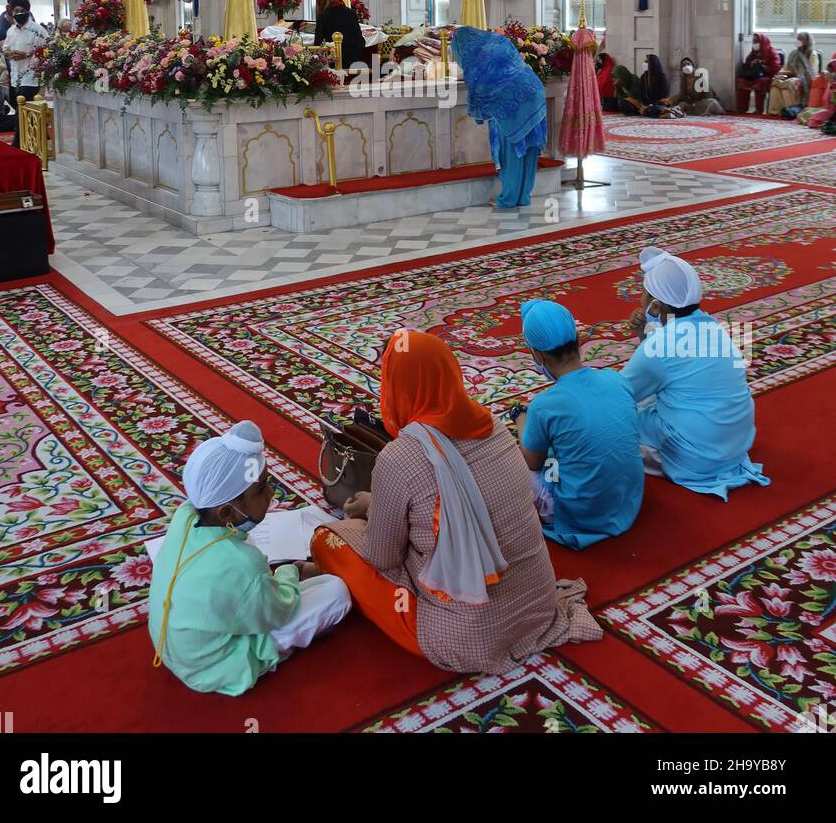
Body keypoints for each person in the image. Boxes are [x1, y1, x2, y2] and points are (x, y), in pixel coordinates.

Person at [311, 330, 600, 672]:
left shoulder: (399, 457)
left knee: (329, 539)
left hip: (465, 635)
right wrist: (380, 504)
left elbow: (382, 556)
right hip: (537, 605)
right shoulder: (491, 424)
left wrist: (367, 518)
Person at [147, 420, 351, 696]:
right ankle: (262, 655)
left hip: (178, 651)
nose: (271, 493)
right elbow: (279, 613)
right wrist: (290, 571)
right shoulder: (242, 565)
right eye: (261, 488)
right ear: (227, 513)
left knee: (263, 576)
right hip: (215, 666)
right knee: (336, 592)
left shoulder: (186, 515)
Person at [620, 247, 769, 500]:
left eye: (644, 295)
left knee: (613, 425)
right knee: (661, 390)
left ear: (655, 305)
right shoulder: (716, 327)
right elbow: (673, 363)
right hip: (737, 445)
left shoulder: (661, 344)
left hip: (698, 458)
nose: (640, 301)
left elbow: (620, 394)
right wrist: (645, 333)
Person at [515, 300, 644, 549]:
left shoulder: (544, 404)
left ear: (537, 354)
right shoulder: (615, 379)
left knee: (512, 464)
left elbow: (531, 463)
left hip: (581, 513)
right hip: (627, 500)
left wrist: (522, 417)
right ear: (578, 338)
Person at [451, 26, 547, 209]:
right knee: (528, 149)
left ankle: (508, 198)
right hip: (534, 89)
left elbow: (477, 88)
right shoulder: (497, 40)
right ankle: (523, 196)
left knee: (511, 150)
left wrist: (479, 113)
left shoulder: (474, 58)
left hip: (511, 100)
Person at [3, 0, 48, 146]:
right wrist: (10, 53)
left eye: (22, 10)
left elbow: (46, 51)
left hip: (31, 77)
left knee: (26, 110)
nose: (19, 13)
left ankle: (20, 142)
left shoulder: (37, 30)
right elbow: (5, 48)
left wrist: (27, 54)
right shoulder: (11, 30)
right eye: (16, 11)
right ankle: (26, 141)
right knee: (18, 109)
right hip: (15, 77)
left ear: (28, 11)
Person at [313, 0, 367, 69]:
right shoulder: (351, 13)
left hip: (334, 61)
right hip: (355, 59)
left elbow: (318, 43)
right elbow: (360, 40)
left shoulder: (323, 15)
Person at [768, 33, 820, 117]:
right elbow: (786, 67)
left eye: (800, 39)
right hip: (790, 75)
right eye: (797, 39)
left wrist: (793, 73)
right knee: (776, 81)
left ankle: (791, 111)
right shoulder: (793, 53)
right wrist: (781, 73)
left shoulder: (811, 53)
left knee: (790, 83)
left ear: (807, 41)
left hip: (804, 79)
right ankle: (775, 111)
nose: (797, 41)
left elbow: (811, 72)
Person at [736, 33, 780, 114]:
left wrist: (762, 66)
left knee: (760, 82)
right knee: (741, 80)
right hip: (753, 75)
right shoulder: (753, 53)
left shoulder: (772, 53)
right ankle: (742, 109)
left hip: (767, 77)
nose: (754, 43)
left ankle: (759, 110)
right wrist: (751, 63)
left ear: (763, 42)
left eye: (757, 41)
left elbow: (775, 69)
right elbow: (747, 65)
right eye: (753, 41)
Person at [803, 58, 836, 131]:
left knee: (814, 117)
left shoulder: (833, 85)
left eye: (831, 72)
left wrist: (832, 87)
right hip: (827, 109)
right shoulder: (830, 83)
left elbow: (833, 102)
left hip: (833, 113)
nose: (828, 74)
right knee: (806, 111)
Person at [595, 42, 617, 110]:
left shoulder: (609, 69)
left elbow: (605, 83)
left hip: (606, 95)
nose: (599, 62)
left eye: (600, 60)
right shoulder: (602, 69)